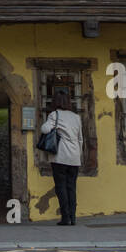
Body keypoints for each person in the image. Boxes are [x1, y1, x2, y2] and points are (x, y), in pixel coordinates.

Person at [40, 96, 83, 225]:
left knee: (61, 187)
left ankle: (65, 218)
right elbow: (80, 139)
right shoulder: (76, 117)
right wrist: (78, 155)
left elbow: (45, 129)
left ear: (55, 103)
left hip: (60, 157)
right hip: (74, 157)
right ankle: (73, 217)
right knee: (71, 187)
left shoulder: (55, 114)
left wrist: (51, 125)